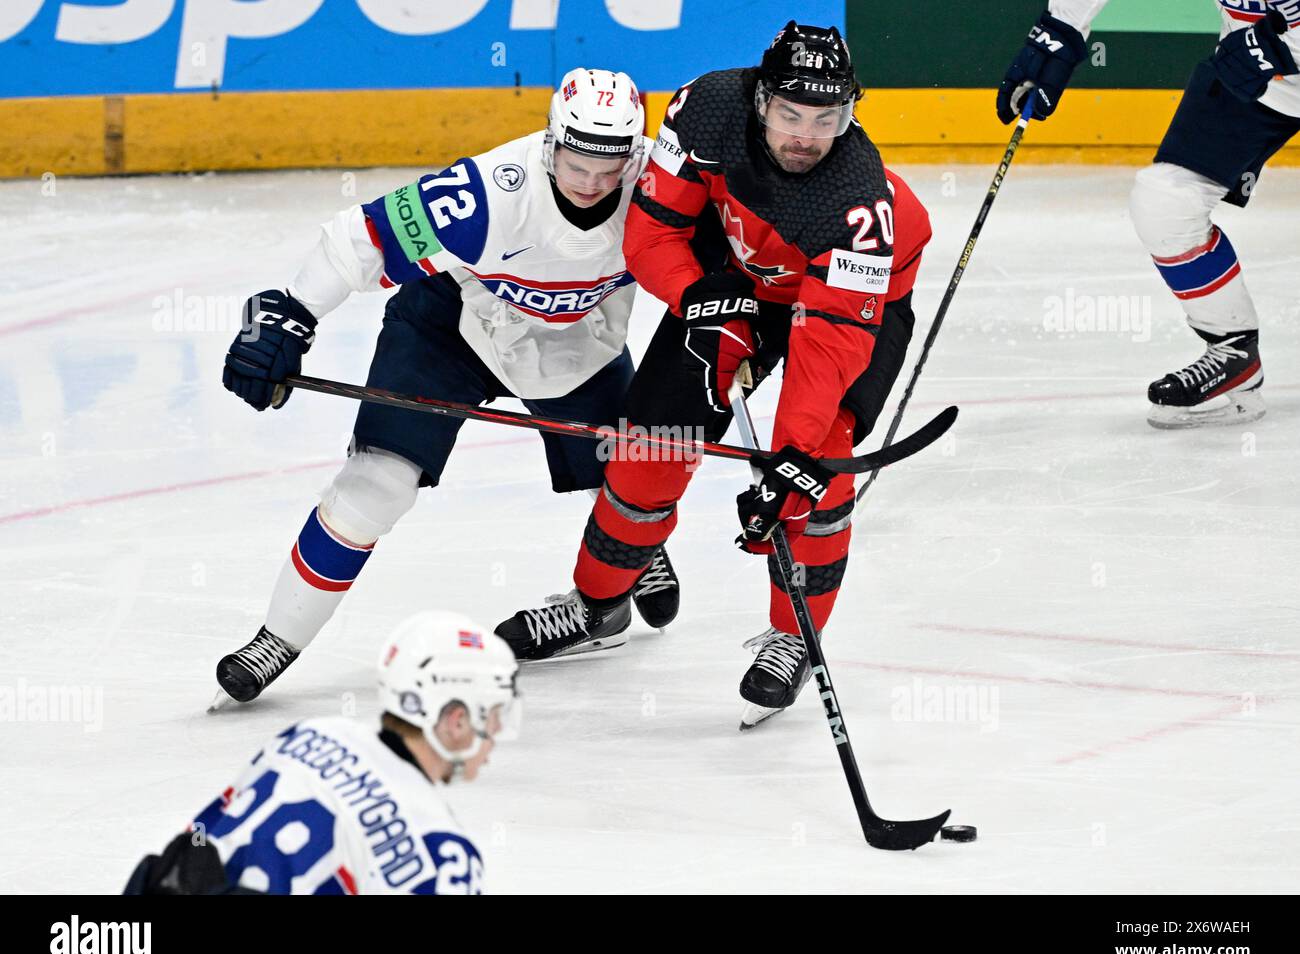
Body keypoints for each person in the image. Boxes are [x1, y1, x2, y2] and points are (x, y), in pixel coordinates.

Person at [494, 23, 932, 728]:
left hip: (856, 309)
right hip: (739, 279)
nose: (806, 135)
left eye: (827, 119)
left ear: (850, 115)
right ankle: (598, 603)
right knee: (650, 447)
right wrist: (694, 293)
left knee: (822, 473)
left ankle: (793, 638)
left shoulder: (859, 206)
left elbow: (826, 347)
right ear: (760, 101)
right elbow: (655, 232)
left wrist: (790, 460)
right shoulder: (705, 107)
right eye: (791, 114)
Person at [214, 67, 680, 705]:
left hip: (574, 337)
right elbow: (361, 239)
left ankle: (617, 572)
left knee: (633, 474)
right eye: (577, 162)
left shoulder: (660, 192)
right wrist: (290, 312)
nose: (594, 183)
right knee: (375, 486)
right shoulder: (488, 195)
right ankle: (277, 638)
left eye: (611, 166)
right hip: (449, 328)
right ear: (550, 142)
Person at [998, 1, 1299, 427]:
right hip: (1258, 81)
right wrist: (1060, 29)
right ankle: (1234, 350)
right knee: (1165, 202)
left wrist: (1275, 45)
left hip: (1262, 55)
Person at [125, 611, 519, 895]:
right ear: (453, 719)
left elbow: (193, 849)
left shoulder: (311, 734)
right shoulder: (444, 851)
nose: (498, 732)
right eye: (494, 713)